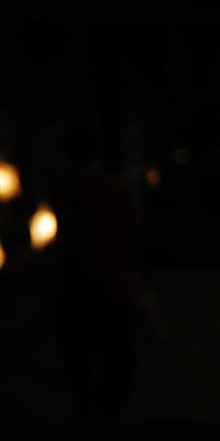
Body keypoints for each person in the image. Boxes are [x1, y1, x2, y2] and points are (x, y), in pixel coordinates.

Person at [54, 119, 138, 421]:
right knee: (117, 358)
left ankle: (89, 415)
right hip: (113, 282)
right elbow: (131, 233)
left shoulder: (67, 190)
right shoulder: (114, 187)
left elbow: (63, 241)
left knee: (80, 360)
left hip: (80, 285)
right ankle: (110, 416)